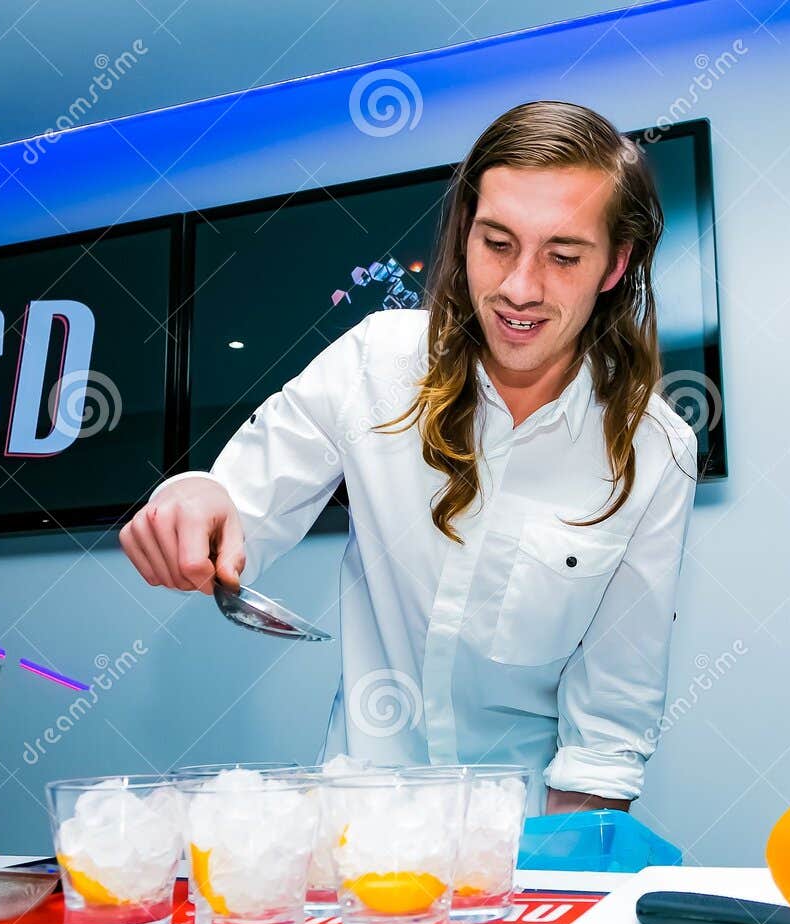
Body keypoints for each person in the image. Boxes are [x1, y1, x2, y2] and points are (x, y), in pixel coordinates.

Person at [120, 100, 697, 813]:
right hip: (355, 832)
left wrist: (555, 889)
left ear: (616, 264)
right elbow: (237, 505)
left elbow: (608, 731)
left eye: (563, 255)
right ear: (464, 238)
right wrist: (195, 498)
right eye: (497, 243)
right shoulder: (377, 359)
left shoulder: (657, 451)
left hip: (520, 848)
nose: (520, 287)